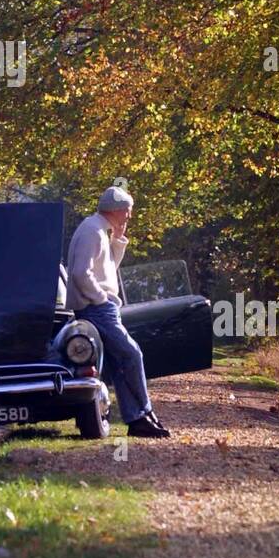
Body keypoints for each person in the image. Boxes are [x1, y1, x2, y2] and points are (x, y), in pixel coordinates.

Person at [66, 186, 171, 438]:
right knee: (132, 354)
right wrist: (101, 299)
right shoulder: (92, 231)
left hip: (101, 307)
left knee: (120, 362)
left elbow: (108, 269)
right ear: (116, 210)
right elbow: (81, 273)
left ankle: (137, 421)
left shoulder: (99, 230)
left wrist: (118, 238)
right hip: (97, 309)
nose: (129, 216)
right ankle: (145, 411)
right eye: (128, 211)